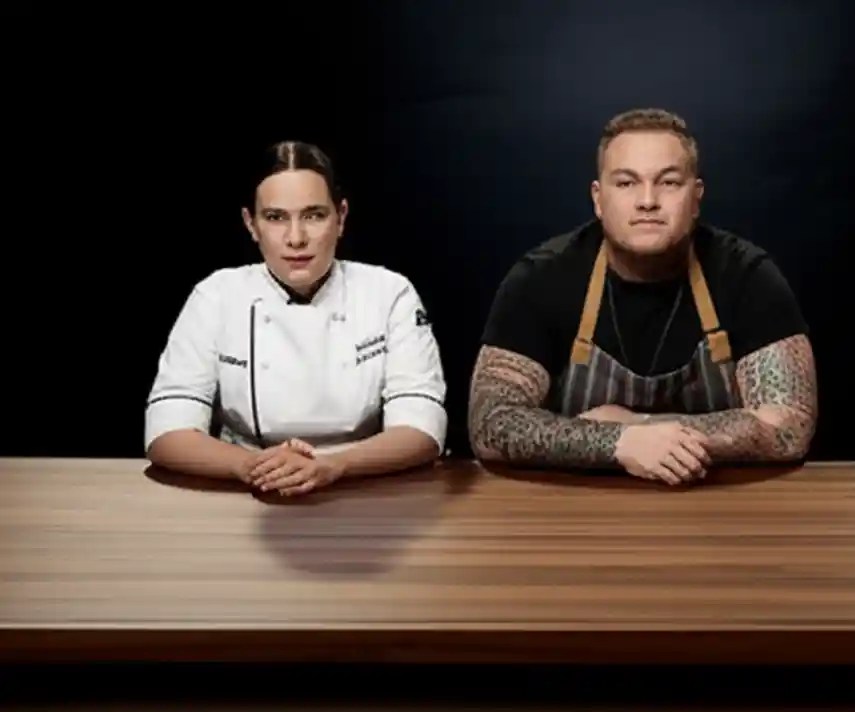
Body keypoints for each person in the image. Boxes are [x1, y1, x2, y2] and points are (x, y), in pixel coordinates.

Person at [467, 108, 817, 486]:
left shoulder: (746, 275)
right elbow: (492, 423)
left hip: (716, 503)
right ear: (598, 199)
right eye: (626, 183)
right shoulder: (542, 277)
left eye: (668, 182)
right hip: (577, 506)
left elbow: (789, 427)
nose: (647, 201)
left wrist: (637, 426)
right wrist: (616, 444)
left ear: (696, 198)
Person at [144, 140, 448, 495]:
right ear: (251, 224)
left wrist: (336, 465)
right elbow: (166, 431)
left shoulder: (389, 293)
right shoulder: (216, 296)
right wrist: (251, 466)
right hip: (246, 490)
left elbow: (423, 428)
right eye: (275, 218)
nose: (296, 238)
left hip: (363, 484)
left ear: (341, 217)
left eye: (314, 215)